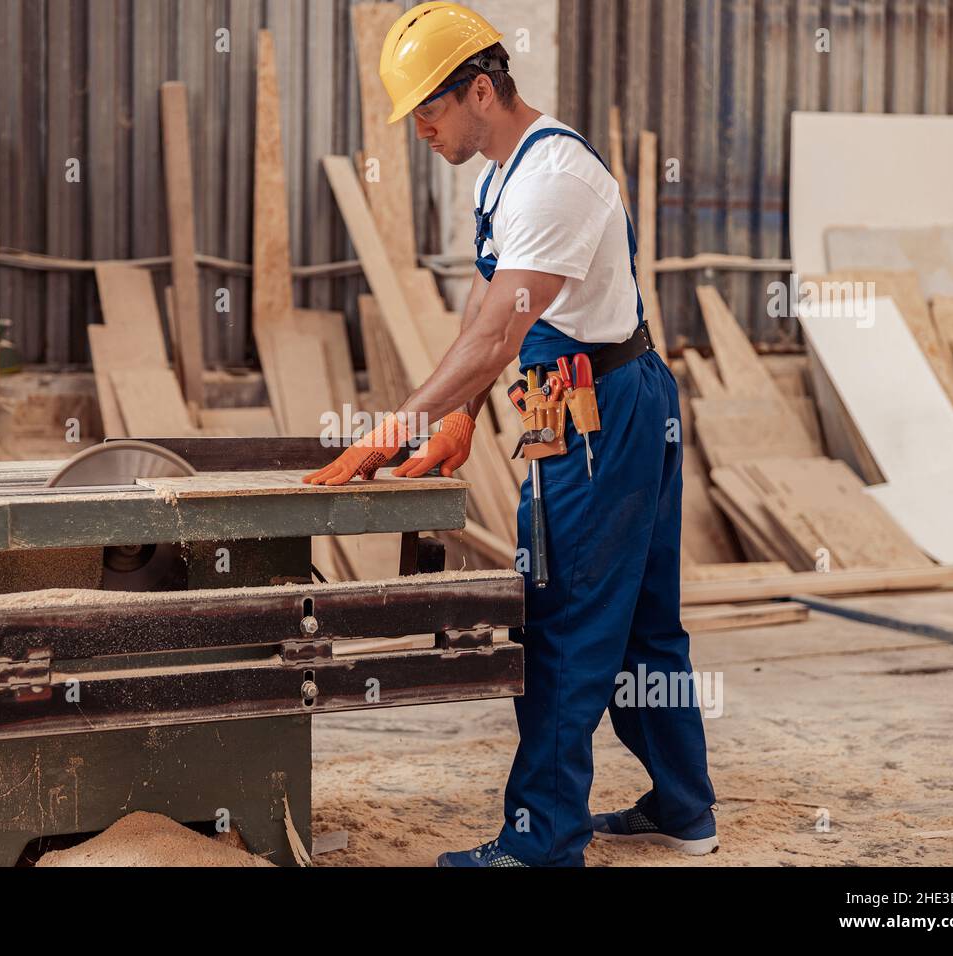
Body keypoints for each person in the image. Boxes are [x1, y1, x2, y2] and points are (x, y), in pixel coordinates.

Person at [303, 1, 716, 867]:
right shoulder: (502, 174)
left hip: (601, 415)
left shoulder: (552, 178)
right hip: (597, 402)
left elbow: (495, 334)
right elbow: (501, 314)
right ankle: (684, 808)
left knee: (561, 625)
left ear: (481, 90)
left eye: (429, 109)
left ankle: (541, 839)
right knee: (641, 625)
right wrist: (459, 418)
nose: (420, 129)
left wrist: (392, 431)